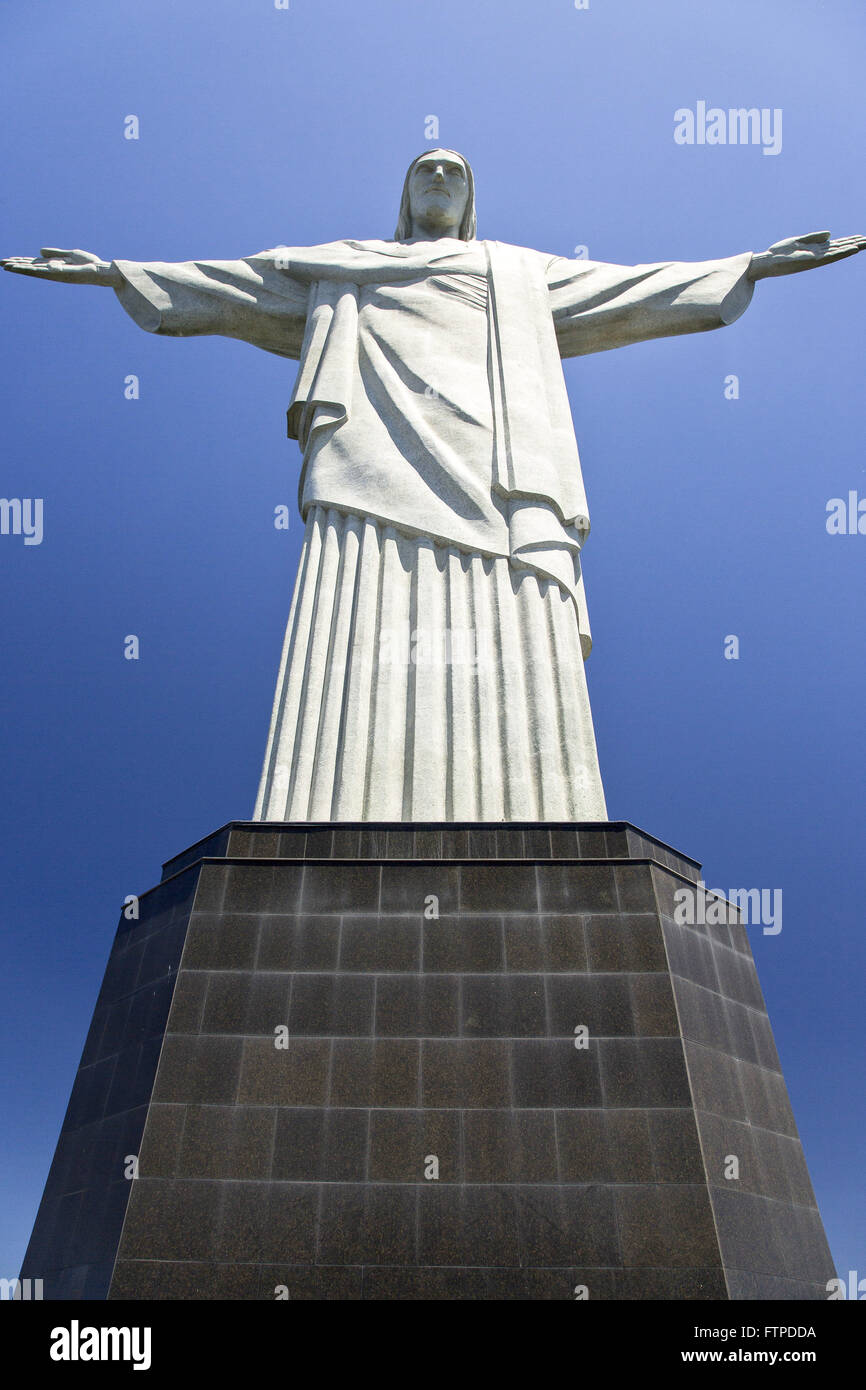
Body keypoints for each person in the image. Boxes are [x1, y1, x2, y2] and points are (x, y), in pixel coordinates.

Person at [4, 151, 863, 822]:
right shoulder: (342, 265)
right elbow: (230, 284)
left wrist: (753, 263)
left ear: (471, 196)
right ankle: (326, 808)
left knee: (517, 618)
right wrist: (114, 270)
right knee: (354, 610)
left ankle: (538, 811)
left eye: (455, 171)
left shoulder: (518, 272)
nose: (442, 179)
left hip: (500, 467)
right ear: (408, 195)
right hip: (369, 460)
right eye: (427, 171)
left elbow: (631, 289)